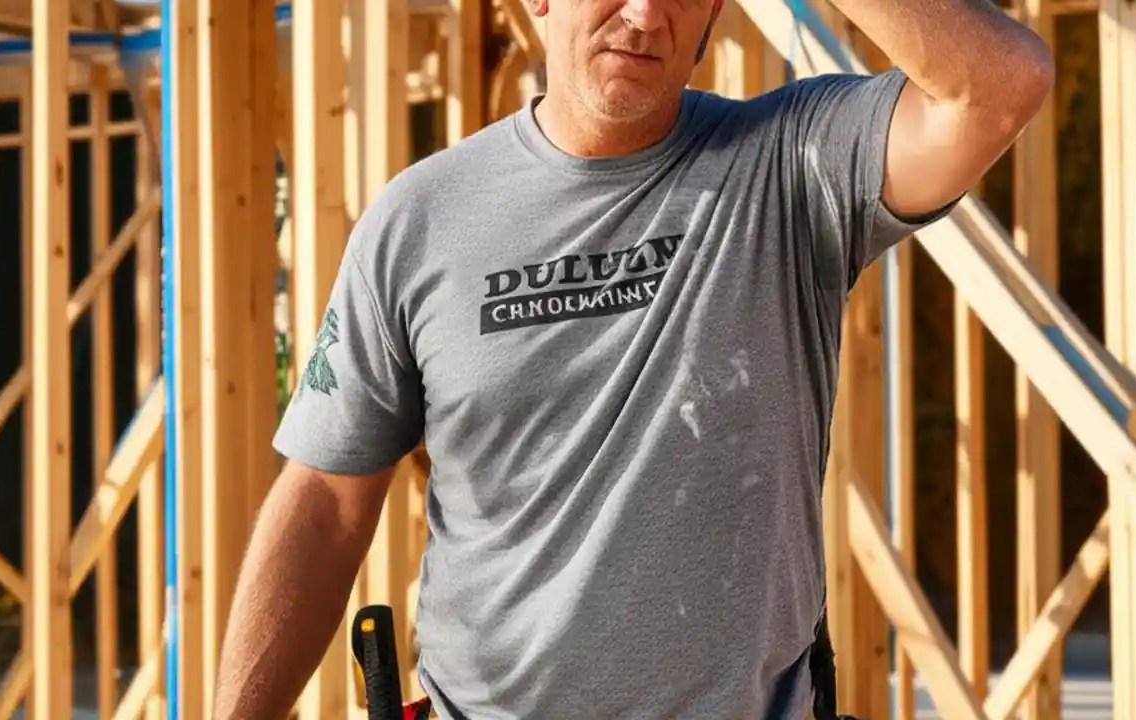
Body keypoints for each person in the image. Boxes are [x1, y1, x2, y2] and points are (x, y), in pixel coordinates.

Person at [212, 0, 1051, 718]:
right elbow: (325, 498)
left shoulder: (795, 164)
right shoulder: (418, 223)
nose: (647, 15)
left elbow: (1000, 86)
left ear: (714, 16)